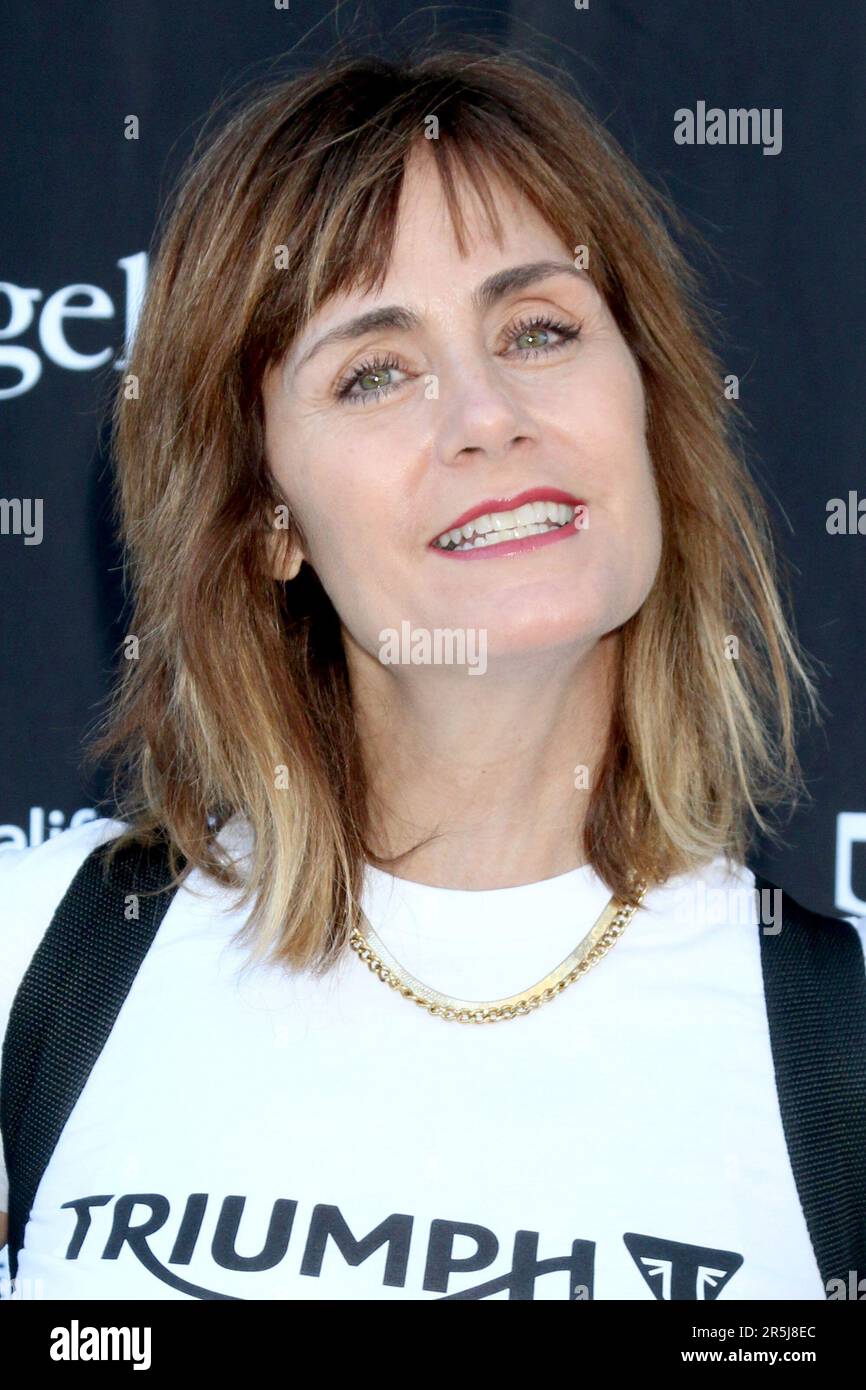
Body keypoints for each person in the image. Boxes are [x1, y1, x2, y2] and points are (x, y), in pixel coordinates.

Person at [1, 47, 863, 1302]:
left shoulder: (836, 1059)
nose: (484, 410)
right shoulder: (38, 955)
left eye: (537, 327)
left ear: (644, 412)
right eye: (373, 370)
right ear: (268, 521)